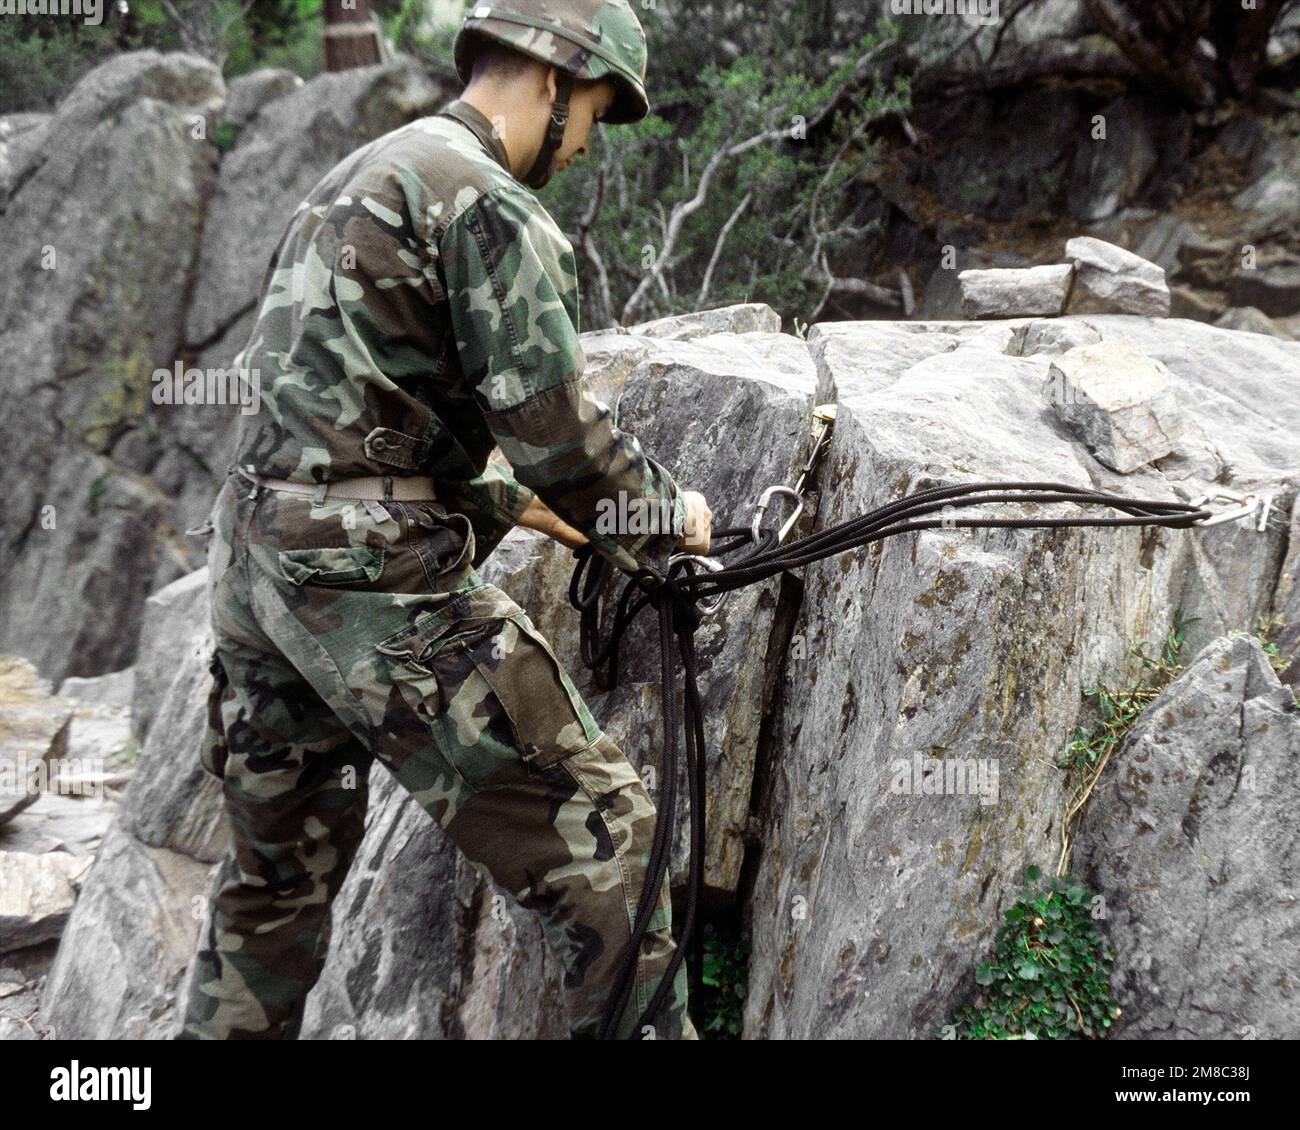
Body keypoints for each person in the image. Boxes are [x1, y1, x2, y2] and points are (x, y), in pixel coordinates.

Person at [176, 0, 712, 1041]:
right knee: (610, 846)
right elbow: (557, 432)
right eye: (598, 112)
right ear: (556, 79)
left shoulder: (368, 171)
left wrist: (517, 506)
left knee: (272, 891)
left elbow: (347, 412)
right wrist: (665, 516)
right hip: (368, 585)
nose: (592, 142)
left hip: (256, 573)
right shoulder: (490, 205)